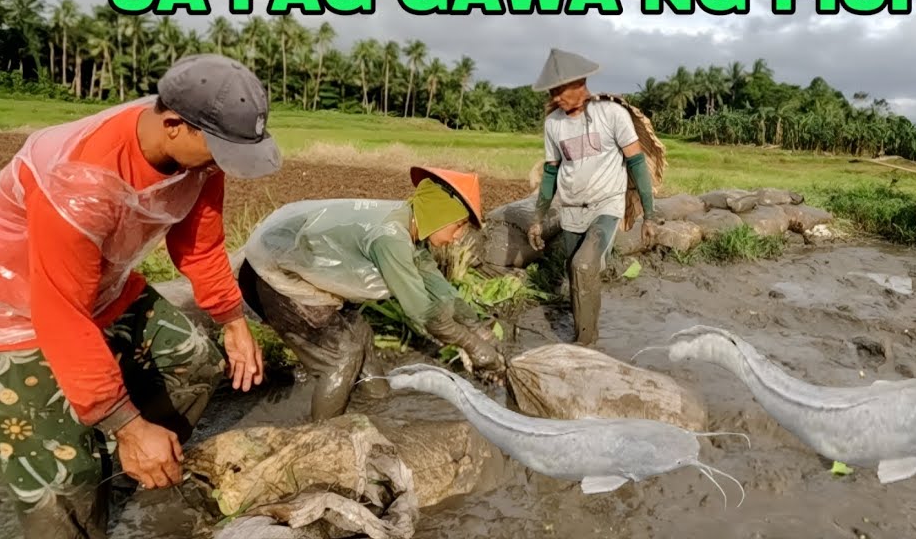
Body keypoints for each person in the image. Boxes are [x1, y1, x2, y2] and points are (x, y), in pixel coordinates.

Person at [0, 53, 279, 538]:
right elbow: (60, 312)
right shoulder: (77, 181)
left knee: (194, 365)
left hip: (102, 287)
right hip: (13, 310)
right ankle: (89, 465)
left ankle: (120, 464)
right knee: (65, 481)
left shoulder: (199, 153)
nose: (223, 166)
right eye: (222, 152)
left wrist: (232, 321)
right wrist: (127, 424)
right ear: (174, 125)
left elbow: (200, 244)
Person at [237, 166, 505, 423]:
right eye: (457, 226)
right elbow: (422, 312)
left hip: (299, 275)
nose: (458, 238)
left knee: (361, 336)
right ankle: (322, 438)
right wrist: (472, 346)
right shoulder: (391, 238)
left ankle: (378, 405)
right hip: (274, 278)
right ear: (438, 215)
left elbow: (441, 291)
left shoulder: (411, 230)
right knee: (341, 357)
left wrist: (480, 330)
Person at [527, 48, 658, 345]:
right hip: (572, 207)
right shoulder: (554, 124)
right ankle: (583, 329)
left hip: (606, 204)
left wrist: (649, 215)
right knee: (574, 272)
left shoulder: (611, 114)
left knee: (583, 265)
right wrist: (537, 218)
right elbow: (551, 173)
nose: (555, 97)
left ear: (579, 82)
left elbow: (636, 163)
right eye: (552, 91)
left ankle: (586, 344)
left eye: (559, 90)